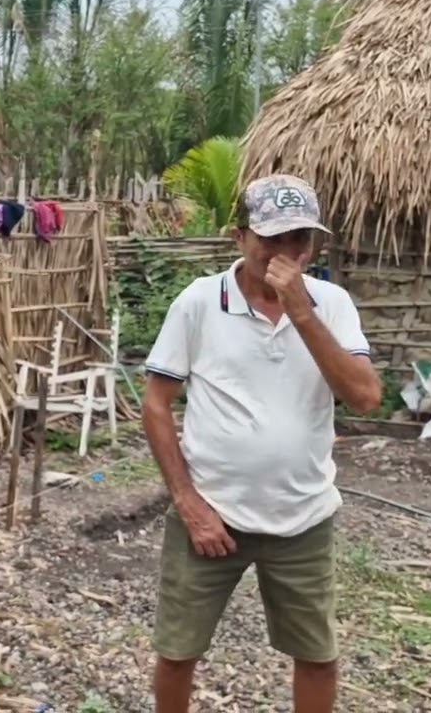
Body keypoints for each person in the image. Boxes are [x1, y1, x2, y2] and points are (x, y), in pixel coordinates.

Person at [142, 174, 382, 713]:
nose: (286, 252)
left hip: (304, 516)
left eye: (299, 239)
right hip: (211, 516)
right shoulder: (200, 303)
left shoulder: (332, 304)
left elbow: (365, 397)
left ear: (314, 245)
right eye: (270, 238)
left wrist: (302, 312)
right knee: (178, 651)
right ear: (240, 238)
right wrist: (187, 501)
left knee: (317, 655)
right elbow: (157, 405)